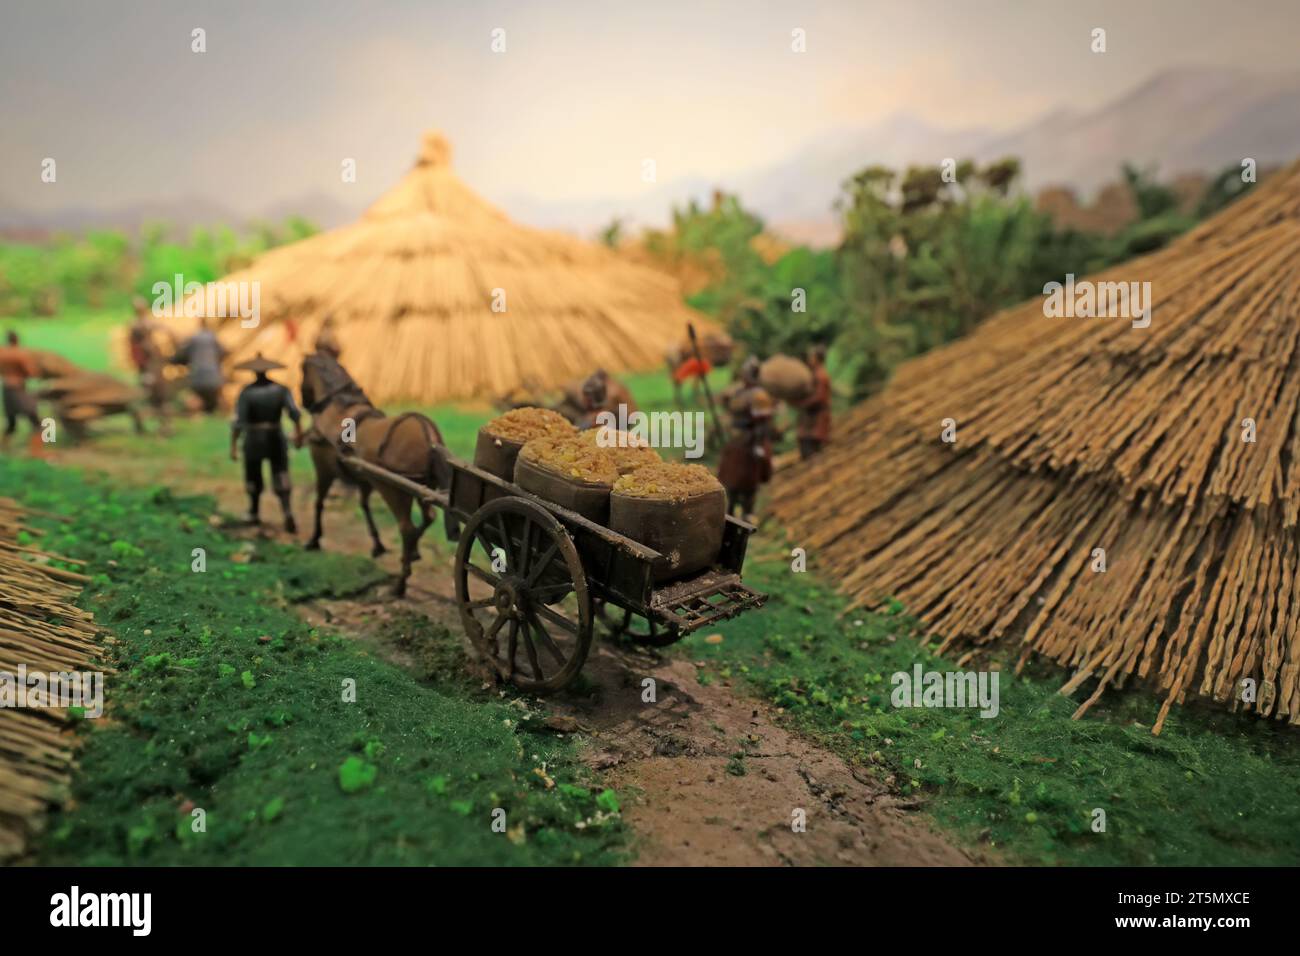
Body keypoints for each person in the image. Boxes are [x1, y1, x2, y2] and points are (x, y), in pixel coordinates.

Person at [230, 354, 303, 532]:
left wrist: (233, 445)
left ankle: (254, 512)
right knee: (281, 472)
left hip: (254, 438)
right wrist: (299, 432)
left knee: (253, 474)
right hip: (276, 435)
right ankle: (287, 511)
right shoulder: (281, 389)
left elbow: (239, 421)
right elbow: (294, 413)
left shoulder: (247, 392)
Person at [716, 356, 774, 521]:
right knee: (732, 481)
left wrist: (758, 444)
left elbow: (762, 424)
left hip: (750, 443)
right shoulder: (740, 392)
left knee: (748, 483)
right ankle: (731, 512)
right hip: (736, 443)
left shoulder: (759, 396)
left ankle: (748, 513)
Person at [127, 296, 174, 435]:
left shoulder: (142, 326)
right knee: (151, 398)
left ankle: (164, 427)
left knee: (155, 398)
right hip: (148, 368)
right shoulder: (141, 327)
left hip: (150, 369)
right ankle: (157, 426)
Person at [0, 331, 43, 453]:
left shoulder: (2, 353)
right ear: (17, 340)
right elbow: (32, 373)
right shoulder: (21, 354)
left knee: (11, 424)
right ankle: (36, 452)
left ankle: (3, 450)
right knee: (36, 423)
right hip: (18, 389)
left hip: (6, 389)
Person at [173, 317, 226, 413]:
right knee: (214, 397)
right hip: (213, 375)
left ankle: (195, 411)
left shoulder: (193, 338)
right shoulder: (213, 338)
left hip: (197, 374)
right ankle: (218, 411)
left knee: (196, 396)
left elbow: (183, 355)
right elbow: (223, 352)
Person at [796, 344, 832, 459]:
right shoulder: (813, 374)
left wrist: (802, 403)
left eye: (812, 357)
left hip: (817, 419)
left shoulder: (821, 376)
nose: (810, 359)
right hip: (810, 418)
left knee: (812, 452)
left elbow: (820, 397)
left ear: (817, 359)